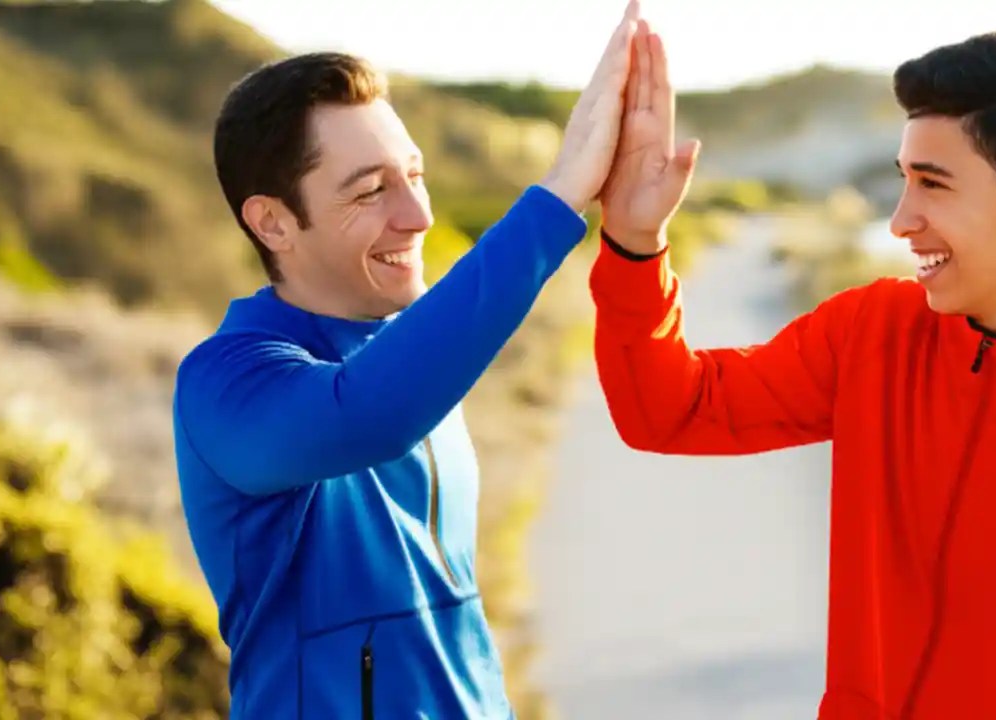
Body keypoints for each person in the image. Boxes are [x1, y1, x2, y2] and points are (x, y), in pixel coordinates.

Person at [592, 26, 996, 719]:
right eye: (904, 180)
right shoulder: (871, 335)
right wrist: (637, 244)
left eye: (932, 185)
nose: (901, 220)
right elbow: (669, 409)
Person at [171, 3, 643, 717]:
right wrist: (557, 200)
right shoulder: (226, 382)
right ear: (272, 221)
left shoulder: (409, 356)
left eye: (413, 176)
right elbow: (366, 411)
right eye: (370, 191)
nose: (418, 215)